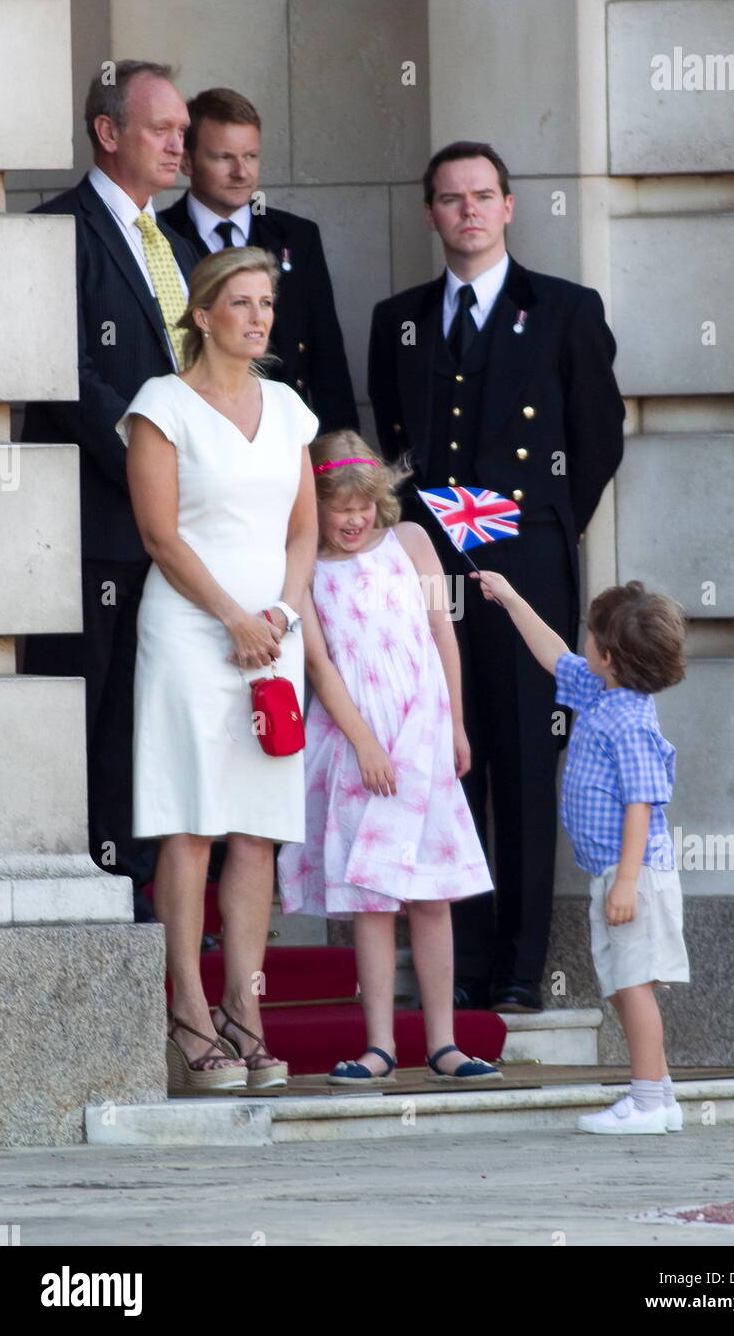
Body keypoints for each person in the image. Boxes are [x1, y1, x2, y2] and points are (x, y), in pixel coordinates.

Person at [368, 140, 626, 1013]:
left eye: (483, 196)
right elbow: (398, 455)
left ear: (509, 207)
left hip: (525, 568)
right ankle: (462, 963)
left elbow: (595, 443)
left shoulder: (562, 310)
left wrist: (528, 534)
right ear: (431, 213)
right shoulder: (396, 318)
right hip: (429, 571)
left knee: (520, 756)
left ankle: (519, 968)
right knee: (443, 750)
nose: (468, 211)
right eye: (450, 199)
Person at [116, 246, 318, 1093]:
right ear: (202, 314)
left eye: (266, 302)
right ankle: (189, 1017)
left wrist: (280, 613)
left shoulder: (290, 407)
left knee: (256, 830)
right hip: (193, 636)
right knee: (191, 823)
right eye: (240, 302)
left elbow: (302, 532)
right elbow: (160, 535)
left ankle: (247, 1010)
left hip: (273, 637)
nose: (258, 316)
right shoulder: (162, 404)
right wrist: (231, 616)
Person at [21, 60, 198, 923]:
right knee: (84, 725)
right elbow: (60, 374)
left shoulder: (181, 245)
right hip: (88, 532)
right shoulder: (57, 230)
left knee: (143, 729)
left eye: (182, 130)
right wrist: (147, 453)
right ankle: (82, 904)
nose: (179, 143)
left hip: (176, 537)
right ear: (107, 132)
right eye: (161, 127)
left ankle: (134, 901)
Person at [277, 431, 501, 1084]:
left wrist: (456, 723)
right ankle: (377, 1044)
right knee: (371, 898)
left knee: (431, 894)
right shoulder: (306, 566)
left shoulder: (411, 545)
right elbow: (318, 665)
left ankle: (443, 1042)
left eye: (362, 506)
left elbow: (441, 633)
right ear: (312, 507)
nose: (352, 520)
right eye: (338, 508)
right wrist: (364, 743)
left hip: (422, 735)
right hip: (357, 749)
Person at [473, 571, 690, 1135]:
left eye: (592, 635)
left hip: (632, 876)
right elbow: (554, 656)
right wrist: (513, 597)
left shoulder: (631, 720)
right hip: (616, 875)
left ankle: (646, 1101)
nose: (583, 642)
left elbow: (641, 804)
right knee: (624, 985)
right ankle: (660, 1095)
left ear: (610, 654)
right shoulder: (601, 690)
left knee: (633, 987)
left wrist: (624, 881)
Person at [161, 87, 358, 434]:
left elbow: (327, 358)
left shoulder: (297, 237)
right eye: (224, 158)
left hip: (284, 434)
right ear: (187, 161)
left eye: (251, 156)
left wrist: (342, 460)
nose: (241, 172)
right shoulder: (160, 237)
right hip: (194, 434)